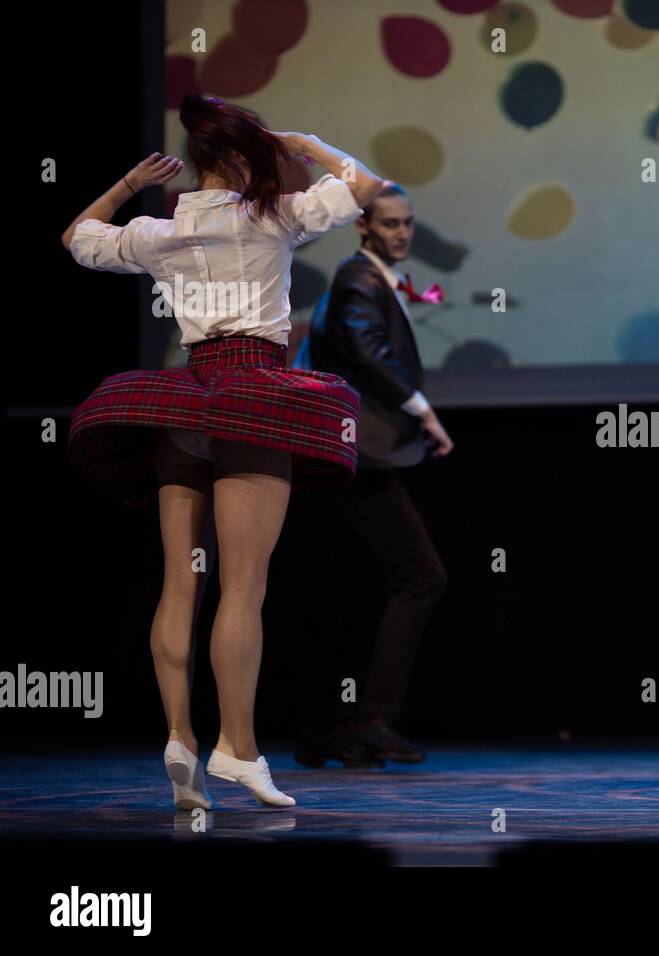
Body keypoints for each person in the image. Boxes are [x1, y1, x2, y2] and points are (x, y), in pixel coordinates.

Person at [63, 93, 388, 807]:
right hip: (256, 395)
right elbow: (365, 188)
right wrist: (307, 142)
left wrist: (128, 186)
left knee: (182, 581)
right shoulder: (270, 213)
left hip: (190, 397)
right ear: (241, 155)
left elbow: (78, 238)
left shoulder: (161, 227)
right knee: (244, 586)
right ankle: (236, 748)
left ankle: (180, 736)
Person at [292, 182, 453, 768]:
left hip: (359, 453)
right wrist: (423, 410)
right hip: (361, 454)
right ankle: (371, 719)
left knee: (364, 592)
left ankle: (323, 729)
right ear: (363, 227)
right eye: (390, 224)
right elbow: (366, 348)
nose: (402, 233)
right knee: (422, 576)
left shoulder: (373, 276)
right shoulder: (359, 278)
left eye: (408, 222)